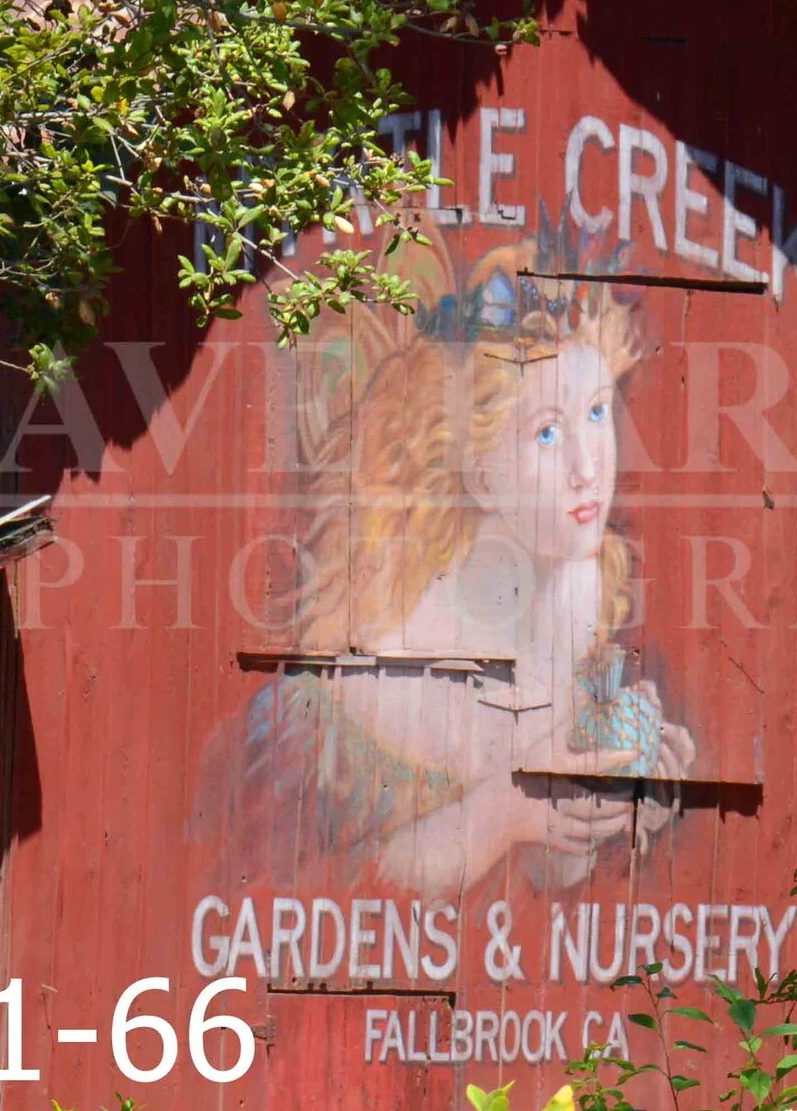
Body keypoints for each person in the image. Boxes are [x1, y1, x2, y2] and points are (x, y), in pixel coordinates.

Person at [220, 245, 695, 893]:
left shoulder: (584, 605)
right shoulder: (380, 678)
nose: (588, 468)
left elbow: (546, 876)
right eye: (548, 433)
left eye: (595, 412)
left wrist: (629, 799)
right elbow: (332, 889)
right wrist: (498, 815)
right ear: (479, 475)